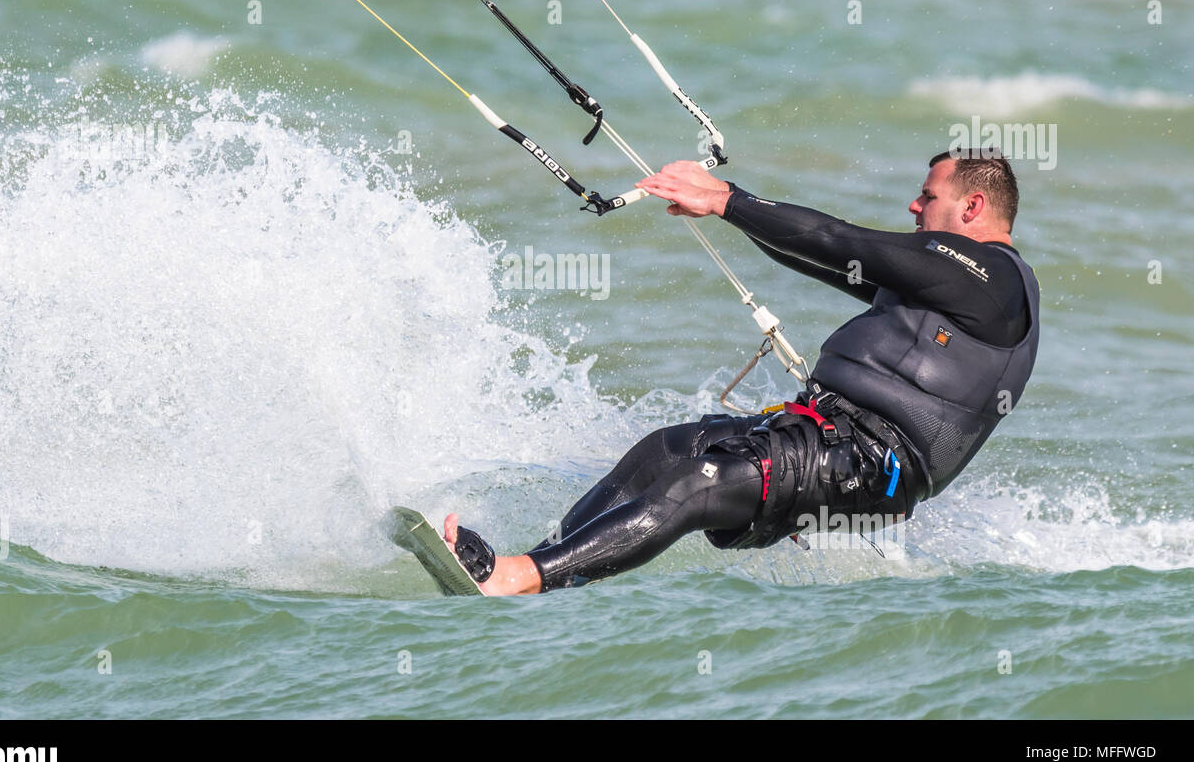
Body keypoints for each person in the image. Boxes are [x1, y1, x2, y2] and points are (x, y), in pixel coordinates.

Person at [443, 147, 1041, 595]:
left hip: (869, 465)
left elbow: (840, 239)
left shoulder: (994, 278)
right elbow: (819, 253)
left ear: (973, 205)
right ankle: (541, 570)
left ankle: (520, 578)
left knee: (694, 484)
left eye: (927, 196)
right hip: (830, 435)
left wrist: (728, 197)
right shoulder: (953, 282)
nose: (914, 205)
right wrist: (731, 214)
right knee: (665, 452)